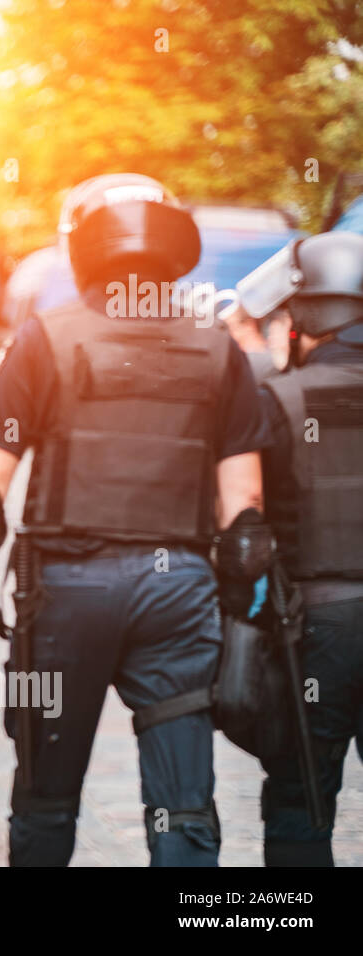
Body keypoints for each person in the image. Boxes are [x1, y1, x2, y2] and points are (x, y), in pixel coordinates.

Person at [0, 173, 270, 866]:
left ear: (85, 246)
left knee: (45, 800)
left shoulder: (43, 339)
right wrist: (238, 625)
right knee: (183, 811)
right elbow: (246, 517)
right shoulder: (219, 348)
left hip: (65, 595)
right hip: (179, 594)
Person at [241, 230, 363, 865]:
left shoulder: (280, 397)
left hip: (317, 624)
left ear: (304, 316)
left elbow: (245, 515)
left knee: (300, 801)